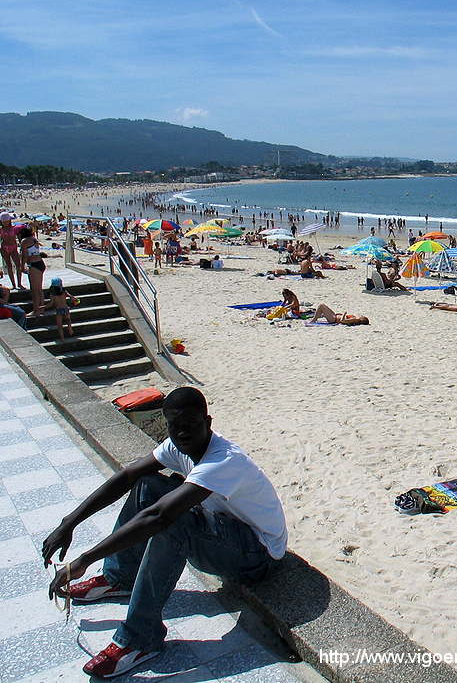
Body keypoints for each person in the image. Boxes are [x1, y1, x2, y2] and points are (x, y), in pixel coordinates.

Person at [44, 387, 287, 678]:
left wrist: (84, 559)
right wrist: (69, 522)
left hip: (258, 556)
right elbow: (128, 475)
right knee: (146, 484)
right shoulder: (178, 445)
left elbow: (158, 517)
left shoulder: (223, 460)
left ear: (208, 423)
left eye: (191, 425)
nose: (182, 433)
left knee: (173, 521)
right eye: (174, 425)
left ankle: (140, 639)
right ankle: (119, 577)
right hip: (226, 531)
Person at [18, 226, 45, 317]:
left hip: (34, 265)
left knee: (34, 290)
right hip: (40, 263)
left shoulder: (24, 241)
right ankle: (41, 309)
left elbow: (24, 256)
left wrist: (22, 266)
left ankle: (36, 310)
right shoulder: (34, 239)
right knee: (39, 289)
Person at [0, 213, 24, 290]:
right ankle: (13, 285)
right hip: (4, 248)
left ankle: (19, 284)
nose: (5, 223)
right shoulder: (1, 229)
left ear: (9, 220)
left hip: (13, 248)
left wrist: (22, 247)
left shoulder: (14, 228)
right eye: (4, 222)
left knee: (18, 265)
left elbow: (20, 238)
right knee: (9, 266)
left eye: (6, 221)